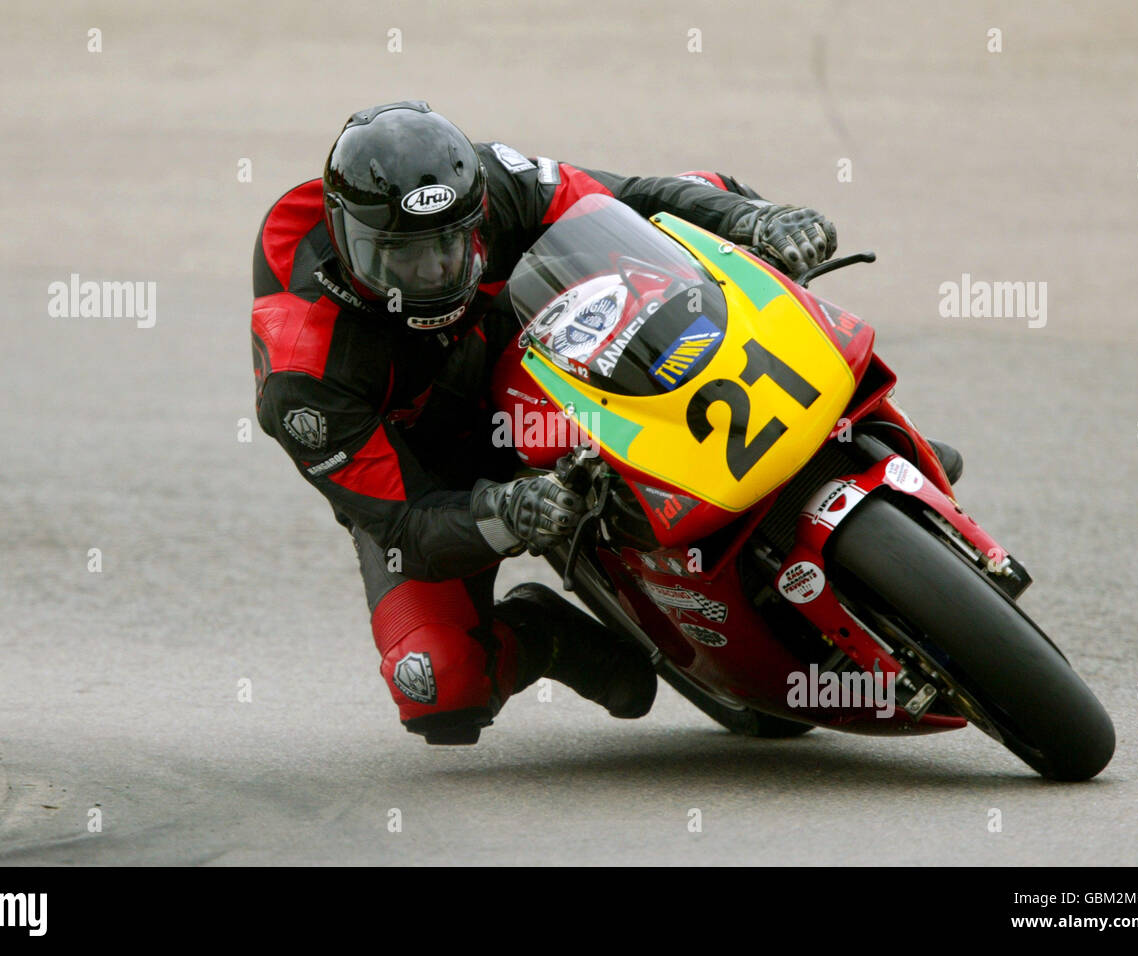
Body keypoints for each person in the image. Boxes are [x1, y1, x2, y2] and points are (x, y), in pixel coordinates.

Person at [250, 100, 891, 745]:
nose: (433, 273)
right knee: (439, 683)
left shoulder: (491, 180)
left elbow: (628, 200)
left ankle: (855, 436)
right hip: (436, 464)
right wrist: (501, 512)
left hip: (532, 351)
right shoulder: (302, 370)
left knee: (707, 197)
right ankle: (548, 635)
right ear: (342, 237)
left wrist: (756, 219)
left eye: (450, 245)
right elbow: (402, 521)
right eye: (401, 259)